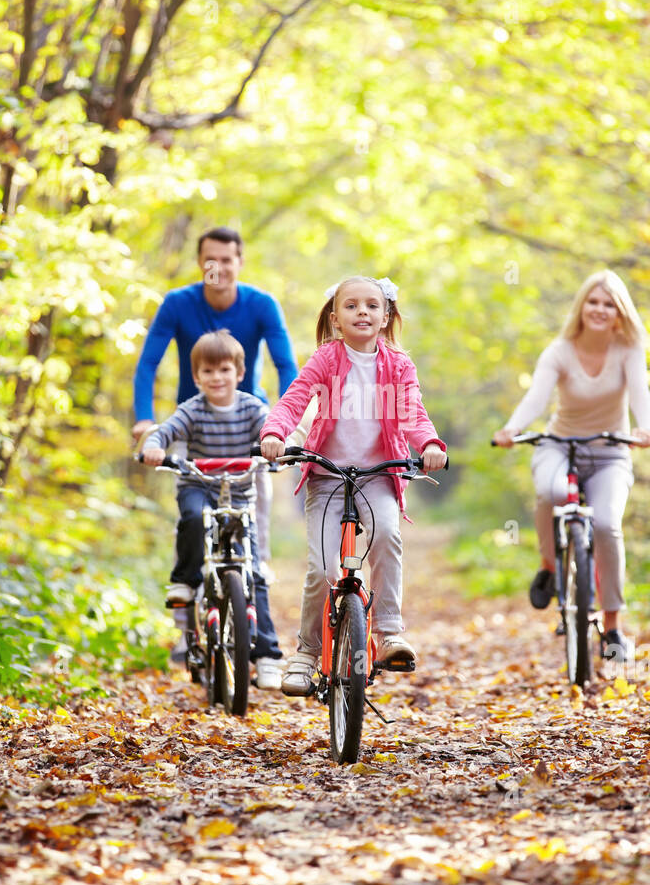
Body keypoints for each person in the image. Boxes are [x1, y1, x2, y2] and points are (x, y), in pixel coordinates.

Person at [259, 276, 447, 696]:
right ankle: (306, 654)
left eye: (371, 306)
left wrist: (430, 444)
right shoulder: (327, 359)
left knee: (386, 536)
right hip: (326, 477)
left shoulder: (398, 366)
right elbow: (295, 398)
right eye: (351, 306)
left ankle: (389, 633)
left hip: (378, 476)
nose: (362, 311)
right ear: (335, 318)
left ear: (385, 318)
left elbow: (413, 413)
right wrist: (275, 433)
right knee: (323, 570)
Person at [132, 226, 297, 661]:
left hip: (250, 429)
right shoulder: (178, 304)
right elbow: (148, 362)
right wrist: (146, 421)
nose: (218, 268)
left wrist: (288, 425)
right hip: (193, 427)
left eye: (227, 259)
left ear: (240, 262)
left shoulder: (261, 305)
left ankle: (258, 632)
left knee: (253, 528)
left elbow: (286, 366)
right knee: (192, 520)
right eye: (210, 259)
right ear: (199, 262)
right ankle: (187, 635)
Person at [492, 270, 650, 660]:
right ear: (581, 307)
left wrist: (645, 428)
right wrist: (514, 428)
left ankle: (613, 628)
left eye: (608, 304)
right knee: (549, 491)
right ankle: (549, 565)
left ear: (619, 312)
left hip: (611, 452)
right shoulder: (560, 349)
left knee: (606, 525)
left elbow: (640, 392)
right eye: (593, 302)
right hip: (559, 445)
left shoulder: (629, 347)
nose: (599, 310)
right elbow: (537, 396)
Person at [141, 331, 284, 690]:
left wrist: (278, 446)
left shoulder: (252, 408)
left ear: (239, 372)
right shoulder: (193, 409)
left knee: (253, 572)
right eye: (208, 371)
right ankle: (186, 582)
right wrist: (154, 446)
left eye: (224, 369)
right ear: (196, 377)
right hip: (200, 487)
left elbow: (275, 432)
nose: (216, 377)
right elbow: (165, 431)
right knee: (191, 518)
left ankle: (267, 654)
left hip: (239, 493)